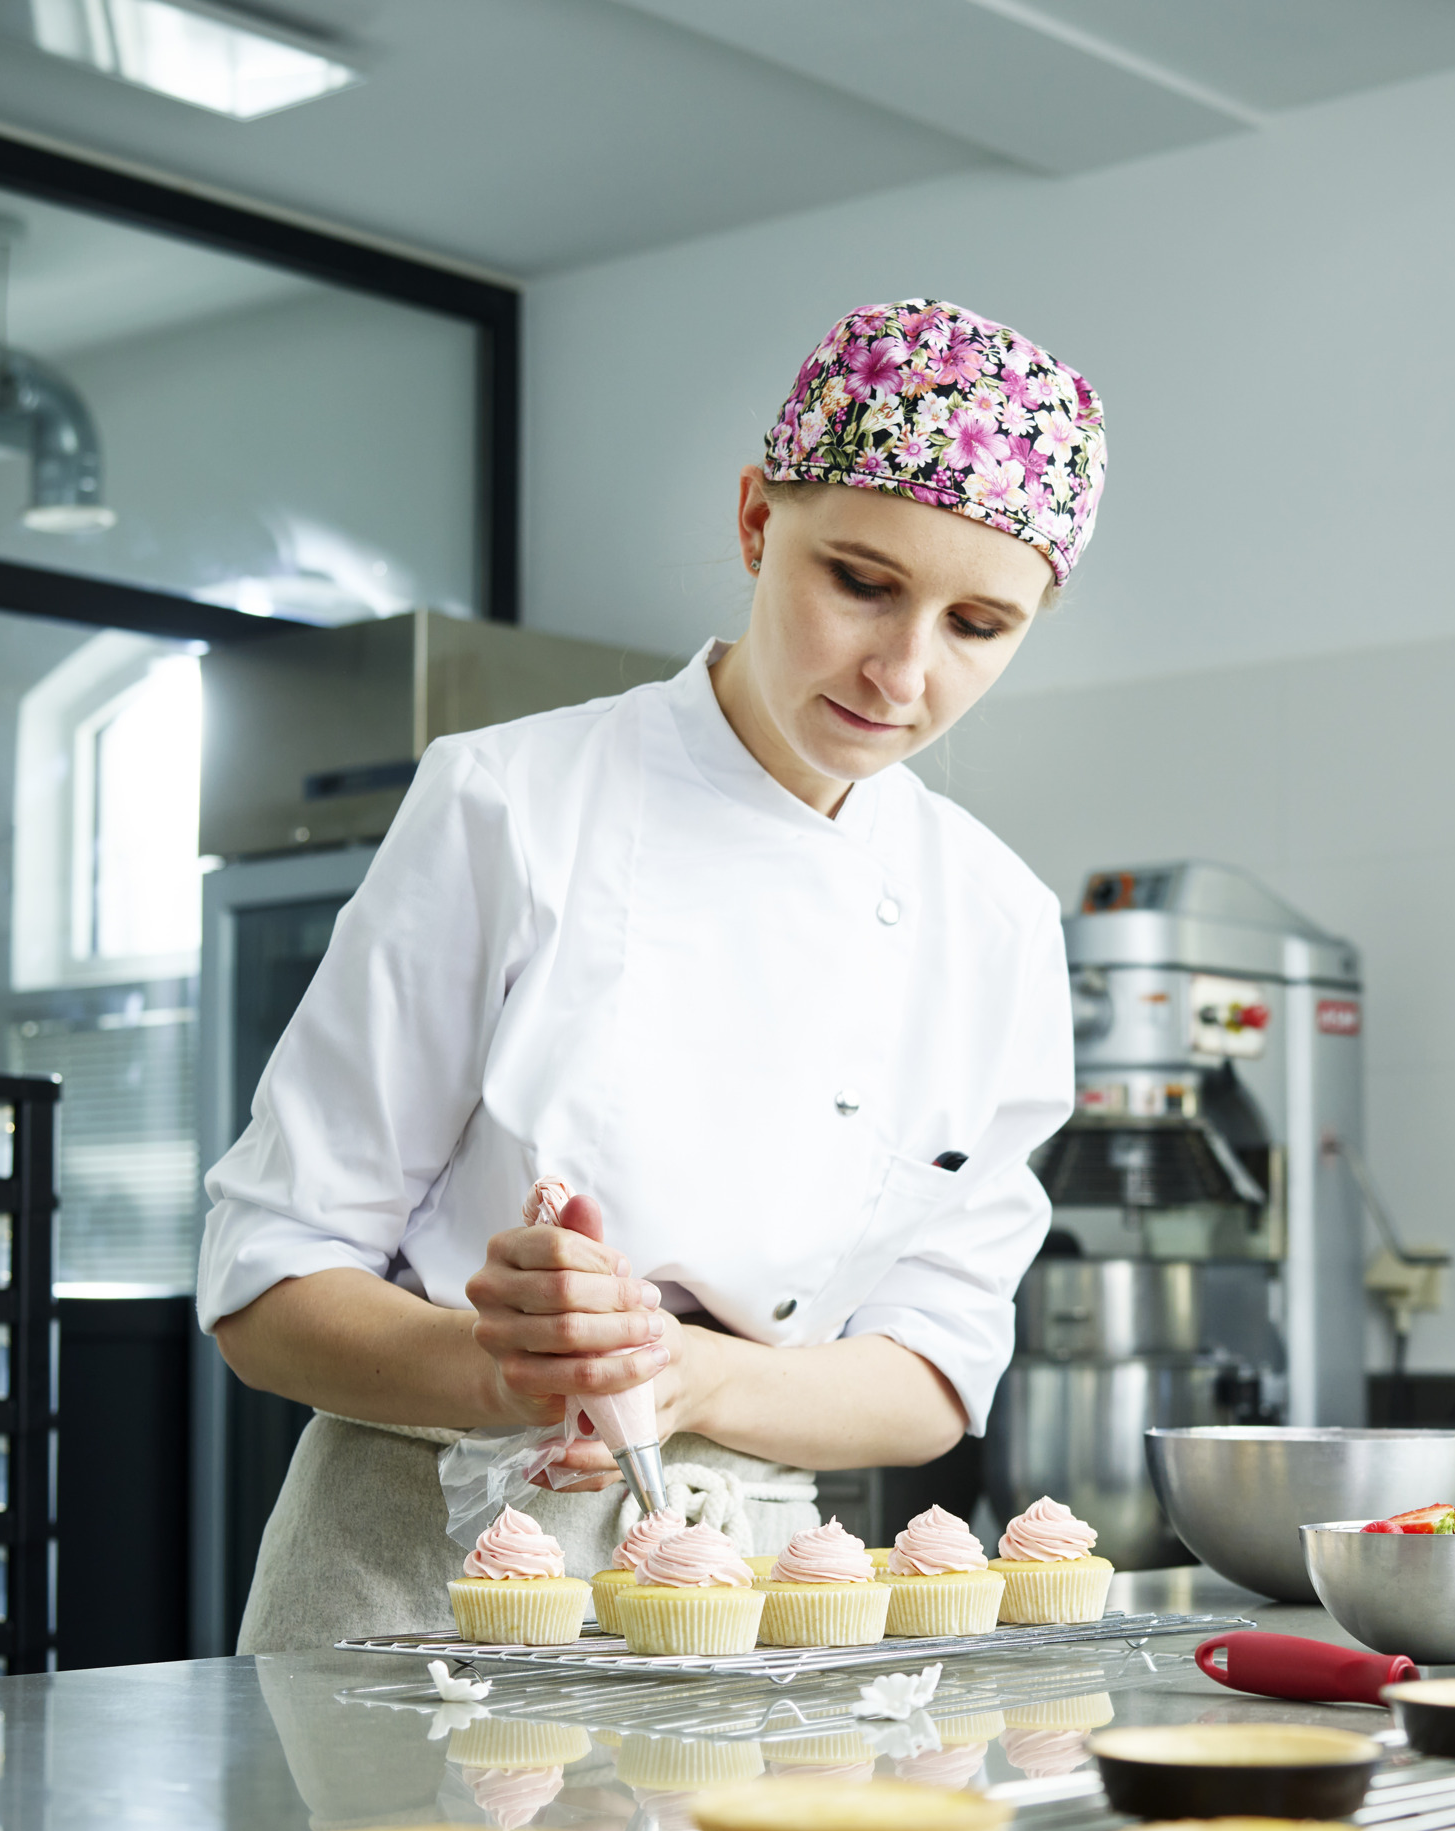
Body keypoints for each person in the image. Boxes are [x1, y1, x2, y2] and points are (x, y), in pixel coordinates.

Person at [199, 299, 1104, 1651]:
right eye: (860, 580)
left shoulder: (998, 922)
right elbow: (266, 1284)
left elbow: (935, 1369)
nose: (902, 672)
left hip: (764, 1600)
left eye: (979, 624)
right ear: (755, 521)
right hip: (419, 1574)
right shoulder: (510, 804)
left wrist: (675, 1376)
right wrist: (509, 1365)